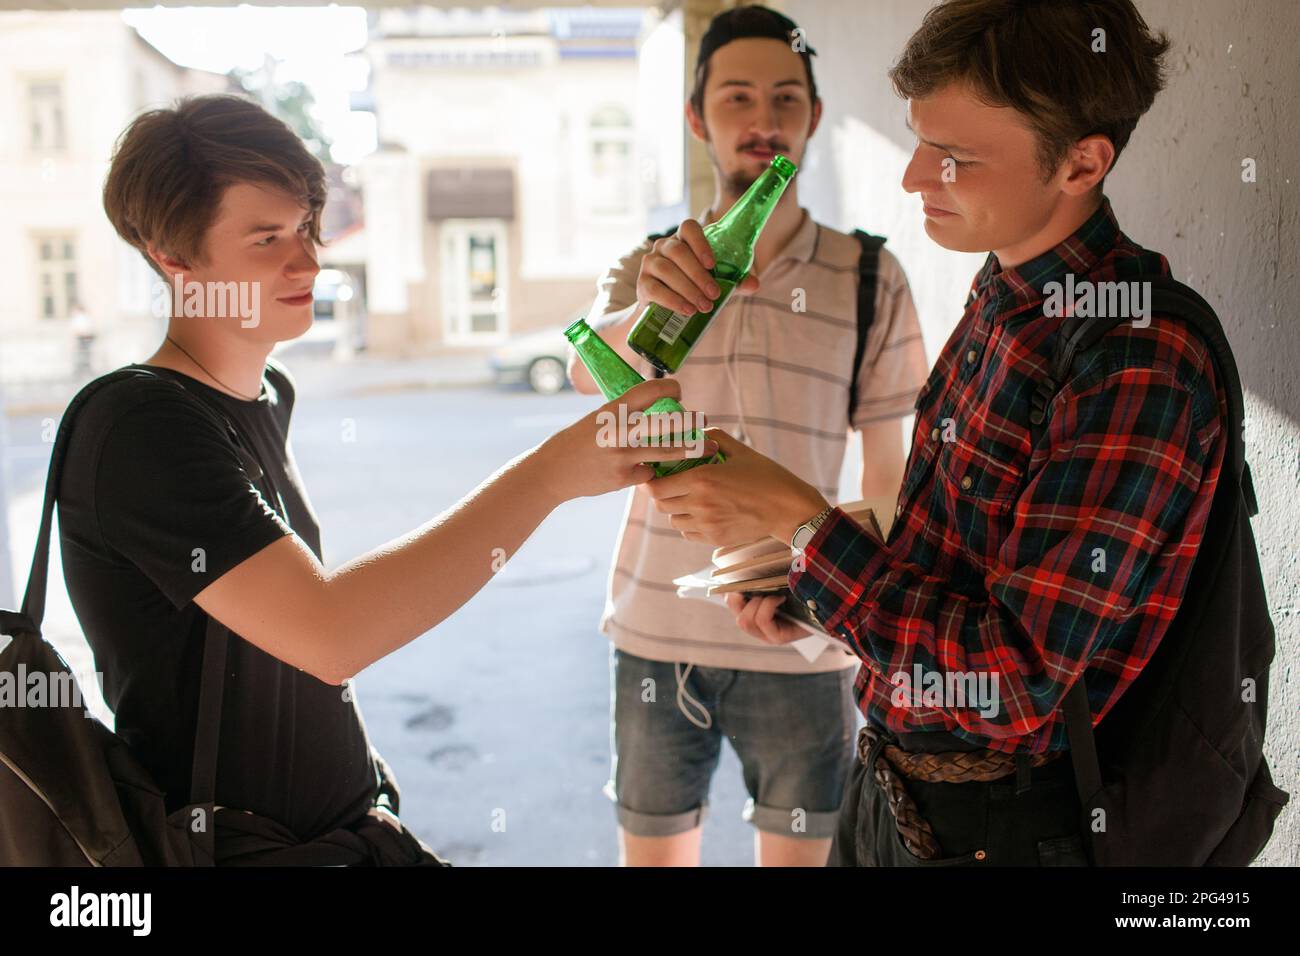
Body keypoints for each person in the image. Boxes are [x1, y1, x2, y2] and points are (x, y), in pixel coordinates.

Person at [57, 94, 713, 865]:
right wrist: (550, 474)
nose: (306, 260)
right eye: (266, 237)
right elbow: (331, 632)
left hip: (345, 832)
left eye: (305, 226)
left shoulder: (265, 395)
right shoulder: (139, 424)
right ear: (173, 255)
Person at [647, 0, 1220, 866]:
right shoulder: (1006, 290)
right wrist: (816, 586)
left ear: (1081, 162)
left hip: (1006, 829)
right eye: (920, 141)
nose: (915, 177)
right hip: (894, 788)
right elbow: (964, 561)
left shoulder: (1133, 356)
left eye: (953, 157)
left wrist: (801, 520)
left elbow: (1015, 682)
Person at [568, 5, 929, 866]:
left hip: (803, 642)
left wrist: (822, 612)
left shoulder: (873, 275)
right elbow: (586, 370)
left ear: (813, 116)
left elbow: (888, 486)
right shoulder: (649, 262)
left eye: (785, 98)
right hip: (653, 637)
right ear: (698, 120)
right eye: (735, 98)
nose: (762, 120)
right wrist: (653, 304)